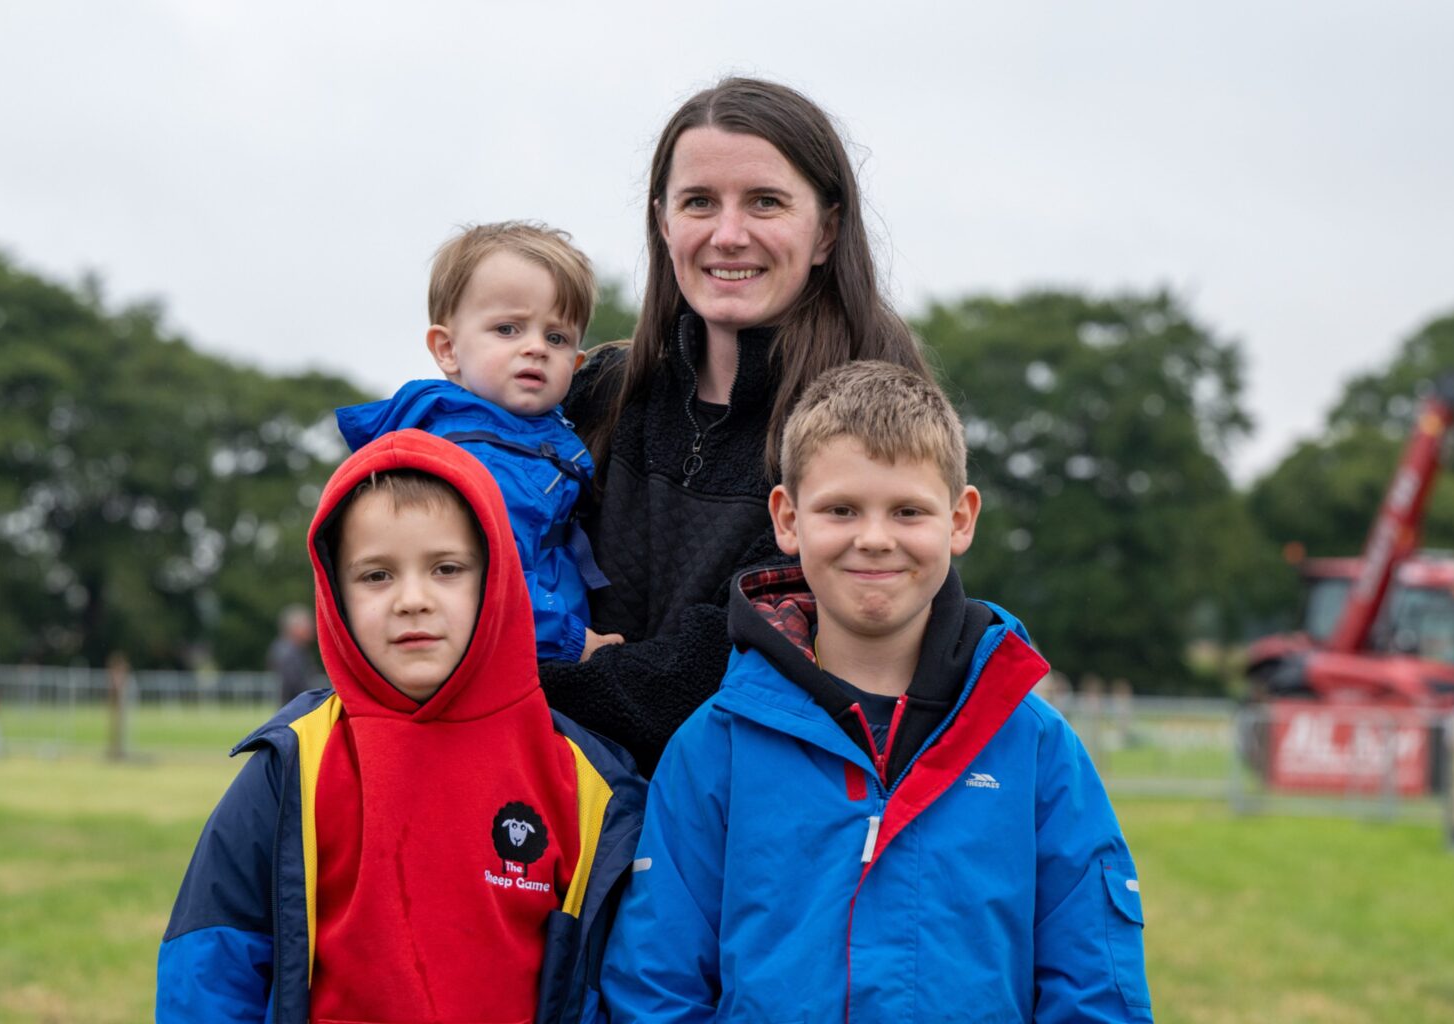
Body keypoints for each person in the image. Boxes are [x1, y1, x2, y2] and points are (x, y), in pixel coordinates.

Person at [600, 362, 1153, 1022]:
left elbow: (1093, 987)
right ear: (787, 518)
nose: (873, 538)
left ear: (959, 519)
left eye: (908, 511)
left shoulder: (1034, 746)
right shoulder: (714, 748)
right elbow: (658, 988)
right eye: (841, 509)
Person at [156, 429, 645, 1024]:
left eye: (445, 568)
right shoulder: (292, 766)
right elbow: (209, 972)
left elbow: (625, 988)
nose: (412, 599)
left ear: (496, 576)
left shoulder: (586, 782)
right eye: (376, 576)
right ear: (333, 591)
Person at [541, 77, 933, 775]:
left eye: (765, 202)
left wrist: (505, 684)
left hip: (755, 832)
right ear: (664, 225)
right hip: (560, 820)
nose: (728, 235)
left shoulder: (873, 433)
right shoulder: (593, 394)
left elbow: (703, 679)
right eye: (699, 202)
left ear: (827, 231)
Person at [337, 222, 623, 664]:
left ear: (577, 363)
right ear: (447, 349)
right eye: (508, 329)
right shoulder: (482, 461)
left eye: (556, 337)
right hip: (521, 663)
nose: (536, 348)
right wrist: (571, 642)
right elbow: (491, 582)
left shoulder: (532, 438)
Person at [267, 604, 316, 704]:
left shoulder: (294, 649)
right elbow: (296, 687)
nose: (312, 629)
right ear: (295, 628)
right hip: (295, 710)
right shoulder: (288, 653)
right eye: (307, 625)